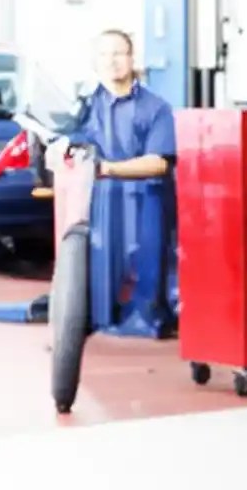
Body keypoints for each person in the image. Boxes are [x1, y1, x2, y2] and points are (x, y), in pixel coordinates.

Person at [68, 28, 180, 338]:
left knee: (148, 264)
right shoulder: (84, 108)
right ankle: (100, 316)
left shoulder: (157, 108)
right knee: (101, 268)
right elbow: (69, 145)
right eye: (104, 54)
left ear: (132, 58)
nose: (111, 60)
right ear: (95, 61)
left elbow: (159, 162)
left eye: (118, 53)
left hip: (147, 201)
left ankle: (149, 318)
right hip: (100, 204)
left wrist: (107, 168)